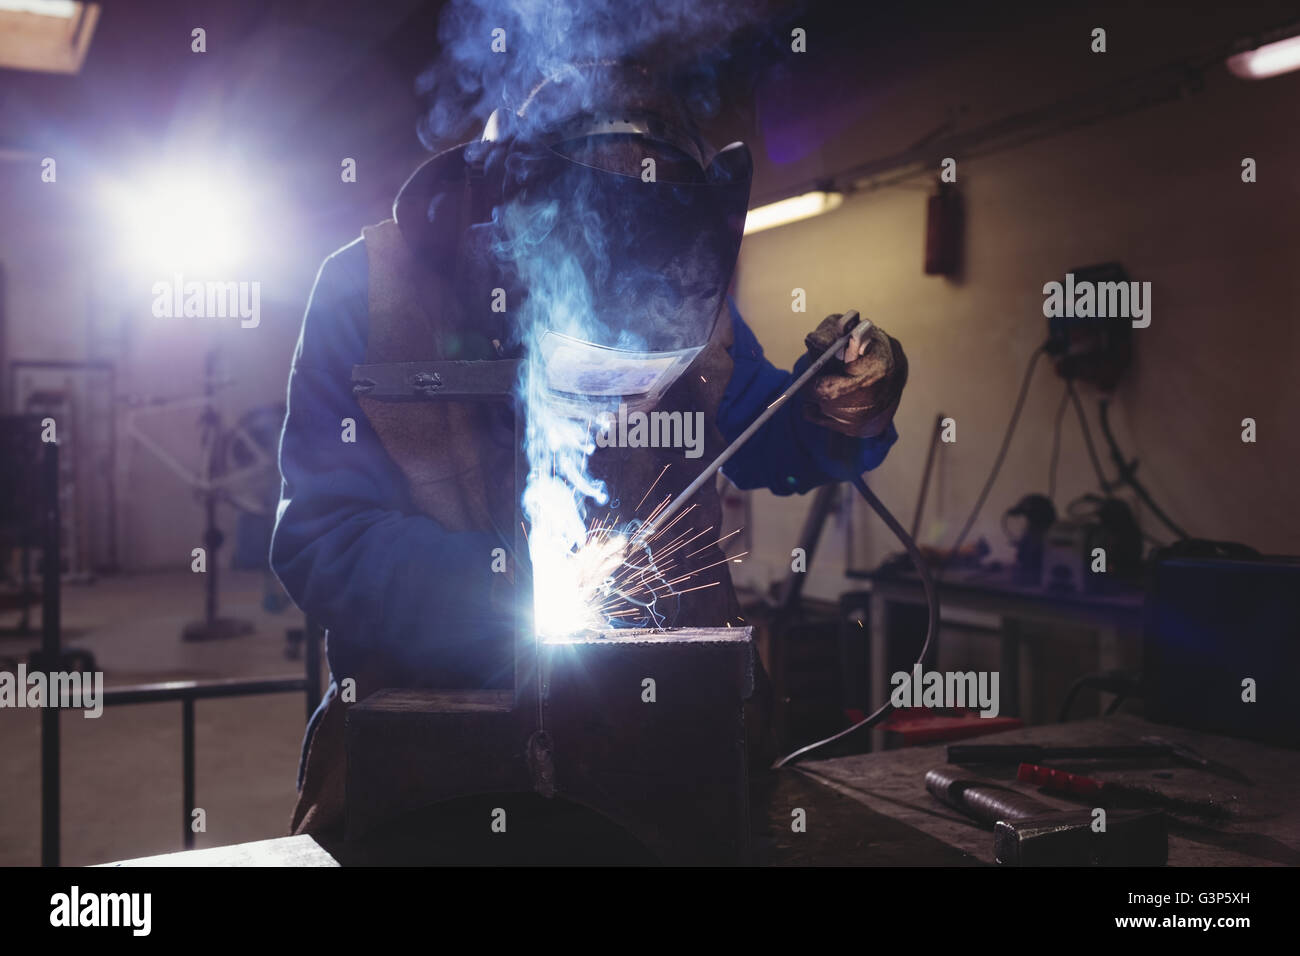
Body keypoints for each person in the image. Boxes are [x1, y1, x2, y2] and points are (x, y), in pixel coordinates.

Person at [271, 62, 908, 836]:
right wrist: (516, 591)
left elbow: (769, 438)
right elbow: (321, 542)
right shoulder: (370, 293)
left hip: (669, 756)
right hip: (430, 766)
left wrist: (843, 409)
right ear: (507, 223)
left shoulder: (684, 303)